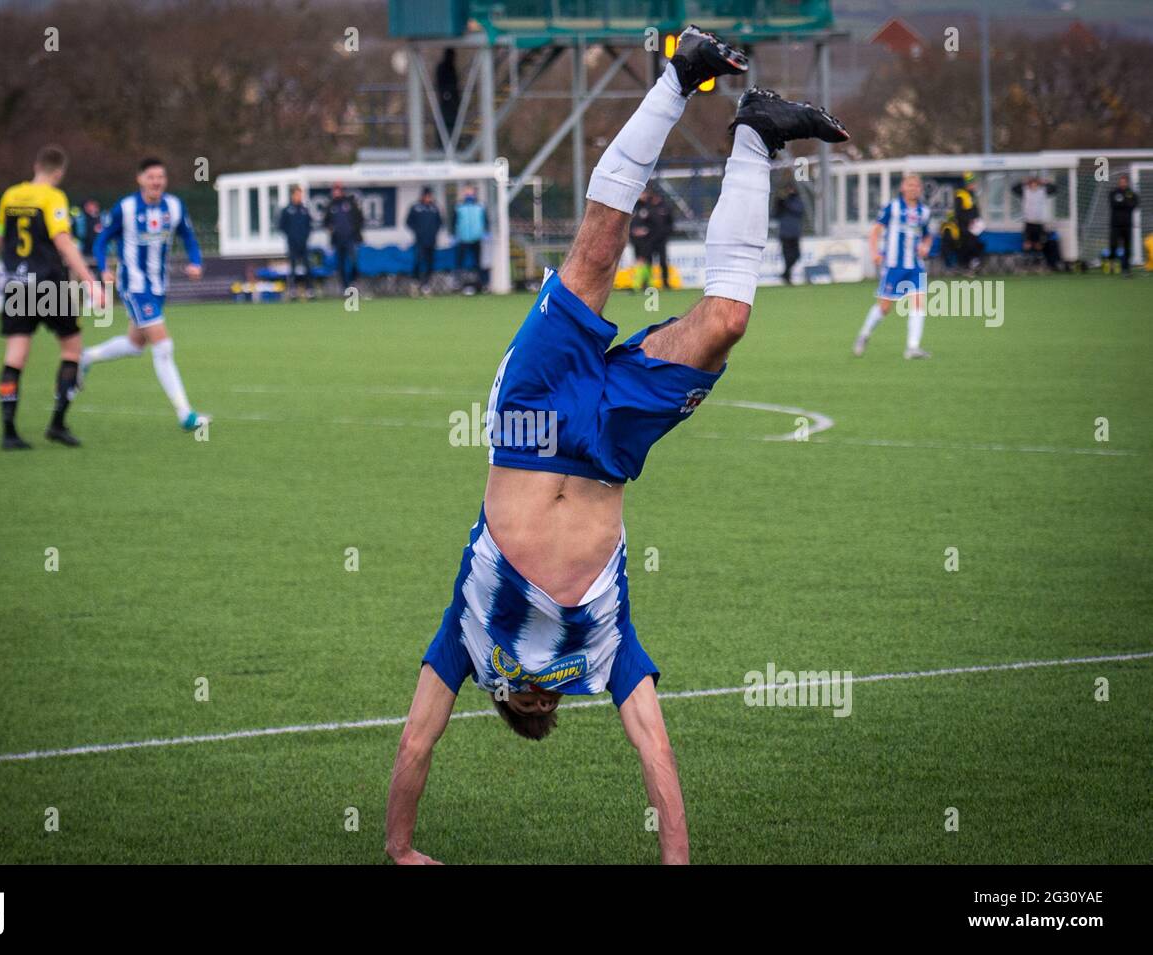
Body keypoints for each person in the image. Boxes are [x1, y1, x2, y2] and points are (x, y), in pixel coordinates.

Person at [383, 27, 847, 866]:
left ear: (505, 697)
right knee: (724, 324)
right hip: (610, 445)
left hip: (528, 424)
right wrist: (676, 854)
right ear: (555, 704)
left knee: (595, 253)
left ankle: (679, 76)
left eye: (521, 701)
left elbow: (416, 747)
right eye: (539, 703)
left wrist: (399, 848)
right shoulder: (603, 649)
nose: (530, 695)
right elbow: (655, 750)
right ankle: (756, 135)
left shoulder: (468, 639)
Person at [81, 157, 209, 432]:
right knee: (163, 346)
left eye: (160, 177)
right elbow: (102, 240)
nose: (156, 182)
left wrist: (196, 261)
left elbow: (188, 236)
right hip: (134, 286)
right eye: (151, 177)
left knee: (135, 345)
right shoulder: (125, 208)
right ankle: (185, 414)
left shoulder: (174, 206)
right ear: (140, 179)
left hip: (158, 285)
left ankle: (86, 357)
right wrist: (103, 269)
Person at [0, 145, 103, 450]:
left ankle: (9, 432)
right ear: (59, 172)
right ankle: (57, 423)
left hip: (17, 284)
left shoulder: (10, 195)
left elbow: (0, 240)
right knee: (71, 352)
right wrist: (90, 282)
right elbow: (64, 243)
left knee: (15, 357)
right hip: (50, 284)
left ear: (35, 165)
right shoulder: (53, 197)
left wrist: (14, 265)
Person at [853, 173, 933, 360]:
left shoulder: (924, 212)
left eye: (917, 186)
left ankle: (912, 347)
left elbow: (927, 235)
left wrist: (925, 246)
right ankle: (864, 334)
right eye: (910, 185)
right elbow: (875, 231)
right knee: (885, 308)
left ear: (920, 189)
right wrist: (874, 253)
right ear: (903, 187)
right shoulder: (893, 208)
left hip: (915, 266)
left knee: (919, 303)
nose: (914, 188)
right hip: (893, 266)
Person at [323, 182, 363, 292]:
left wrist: (355, 231)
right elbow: (325, 222)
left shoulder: (350, 203)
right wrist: (331, 229)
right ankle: (345, 287)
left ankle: (354, 280)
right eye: (334, 191)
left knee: (354, 261)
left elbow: (359, 218)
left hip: (351, 239)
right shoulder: (331, 205)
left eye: (338, 190)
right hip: (338, 239)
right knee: (340, 264)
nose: (336, 193)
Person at [277, 186, 315, 300]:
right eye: (298, 194)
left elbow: (309, 225)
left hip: (303, 243)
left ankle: (310, 290)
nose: (300, 197)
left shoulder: (304, 209)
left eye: (301, 194)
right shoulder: (287, 210)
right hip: (292, 243)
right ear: (293, 195)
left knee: (307, 267)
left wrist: (305, 236)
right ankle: (293, 290)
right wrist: (291, 236)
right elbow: (281, 226)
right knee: (292, 267)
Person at [1012, 175, 1056, 269]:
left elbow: (1054, 189)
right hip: (1029, 222)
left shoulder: (1042, 191)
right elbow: (1014, 189)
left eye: (1035, 184)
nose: (1033, 186)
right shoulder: (1025, 191)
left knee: (1038, 244)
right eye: (1032, 184)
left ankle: (1038, 263)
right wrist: (1023, 181)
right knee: (1027, 243)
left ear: (1038, 184)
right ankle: (1026, 263)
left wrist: (1046, 182)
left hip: (1039, 222)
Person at [405, 187, 443, 294]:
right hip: (419, 241)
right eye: (427, 196)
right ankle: (415, 282)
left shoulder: (434, 208)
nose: (428, 198)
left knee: (430, 263)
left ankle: (426, 284)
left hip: (431, 241)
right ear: (423, 196)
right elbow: (408, 222)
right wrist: (418, 231)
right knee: (417, 261)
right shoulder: (416, 207)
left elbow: (440, 222)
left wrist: (434, 232)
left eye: (430, 196)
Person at [453, 185, 486, 294]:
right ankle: (458, 283)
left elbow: (486, 221)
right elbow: (453, 222)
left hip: (476, 238)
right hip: (463, 238)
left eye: (470, 192)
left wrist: (485, 233)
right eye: (467, 192)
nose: (469, 195)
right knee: (460, 262)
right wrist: (454, 234)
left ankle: (481, 284)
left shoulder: (480, 207)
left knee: (477, 263)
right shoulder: (459, 207)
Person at [1108, 174, 1140, 276]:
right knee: (1113, 245)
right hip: (1115, 225)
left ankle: (1125, 268)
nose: (1122, 183)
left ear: (1127, 182)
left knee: (1127, 247)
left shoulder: (1131, 193)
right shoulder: (1114, 192)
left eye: (1124, 181)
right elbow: (1114, 204)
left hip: (1127, 225)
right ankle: (1111, 263)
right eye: (1121, 181)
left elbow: (1134, 205)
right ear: (1119, 182)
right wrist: (1126, 203)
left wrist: (1123, 202)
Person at [774, 184, 805, 283]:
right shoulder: (782, 203)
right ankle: (787, 277)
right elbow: (775, 215)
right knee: (786, 257)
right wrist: (778, 203)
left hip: (794, 233)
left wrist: (786, 202)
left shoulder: (796, 201)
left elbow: (799, 210)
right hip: (784, 234)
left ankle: (785, 273)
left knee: (796, 255)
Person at [953, 173, 983, 272]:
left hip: (974, 226)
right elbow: (958, 213)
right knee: (965, 246)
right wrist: (968, 221)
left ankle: (972, 265)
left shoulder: (972, 194)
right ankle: (965, 266)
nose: (973, 185)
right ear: (966, 184)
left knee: (975, 244)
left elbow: (975, 209)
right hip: (964, 227)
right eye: (971, 183)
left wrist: (977, 219)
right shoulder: (960, 194)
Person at [646, 188, 675, 288]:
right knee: (648, 262)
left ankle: (665, 283)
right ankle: (647, 283)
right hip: (649, 240)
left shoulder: (665, 207)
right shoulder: (647, 207)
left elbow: (670, 223)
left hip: (662, 240)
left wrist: (666, 233)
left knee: (663, 262)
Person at [628, 189, 655, 292]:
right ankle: (649, 284)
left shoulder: (649, 208)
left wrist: (646, 231)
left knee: (642, 260)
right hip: (636, 240)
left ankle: (636, 285)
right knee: (642, 261)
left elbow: (655, 224)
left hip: (647, 240)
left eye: (643, 193)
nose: (641, 196)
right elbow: (630, 223)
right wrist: (632, 232)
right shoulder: (634, 207)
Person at [72, 199, 103, 269]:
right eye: (90, 205)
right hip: (84, 250)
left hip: (96, 251)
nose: (93, 207)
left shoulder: (100, 218)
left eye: (94, 206)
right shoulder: (80, 218)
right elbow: (78, 234)